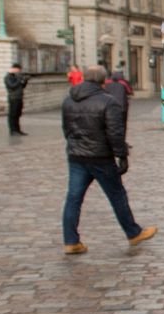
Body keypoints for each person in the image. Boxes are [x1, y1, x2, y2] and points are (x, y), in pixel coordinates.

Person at [61, 65, 157, 255]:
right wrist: (121, 155)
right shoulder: (107, 102)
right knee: (117, 195)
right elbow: (115, 132)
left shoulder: (69, 100)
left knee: (73, 198)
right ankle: (133, 232)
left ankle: (71, 240)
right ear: (103, 80)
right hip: (101, 157)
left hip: (76, 156)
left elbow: (66, 128)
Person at [4, 62, 31, 136]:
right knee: (12, 115)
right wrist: (19, 80)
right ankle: (13, 130)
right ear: (14, 69)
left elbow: (22, 86)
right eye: (18, 70)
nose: (19, 71)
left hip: (19, 97)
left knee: (18, 114)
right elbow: (12, 86)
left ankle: (18, 130)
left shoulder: (16, 76)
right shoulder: (8, 77)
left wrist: (25, 80)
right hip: (13, 98)